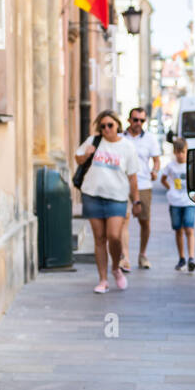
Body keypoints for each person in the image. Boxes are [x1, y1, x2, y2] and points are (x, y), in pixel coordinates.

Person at [75, 110, 139, 294]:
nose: (106, 129)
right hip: (92, 195)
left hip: (117, 198)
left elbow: (133, 177)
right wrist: (86, 154)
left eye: (110, 125)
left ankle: (116, 268)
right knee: (99, 239)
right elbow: (78, 159)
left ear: (117, 125)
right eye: (102, 126)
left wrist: (136, 201)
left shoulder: (127, 147)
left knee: (114, 236)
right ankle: (103, 279)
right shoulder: (93, 141)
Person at [119, 107, 161, 271]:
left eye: (142, 120)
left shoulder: (150, 139)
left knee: (145, 221)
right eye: (135, 120)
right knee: (123, 221)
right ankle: (125, 257)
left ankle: (142, 254)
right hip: (122, 184)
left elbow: (156, 160)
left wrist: (155, 171)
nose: (138, 123)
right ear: (129, 120)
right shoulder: (120, 138)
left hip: (143, 184)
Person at [160, 139, 195, 272]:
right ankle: (182, 257)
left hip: (189, 201)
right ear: (174, 152)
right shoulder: (170, 166)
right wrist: (170, 189)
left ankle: (192, 258)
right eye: (178, 152)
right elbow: (163, 179)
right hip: (175, 201)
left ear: (187, 150)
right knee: (178, 230)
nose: (180, 155)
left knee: (189, 229)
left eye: (182, 152)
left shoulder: (191, 165)